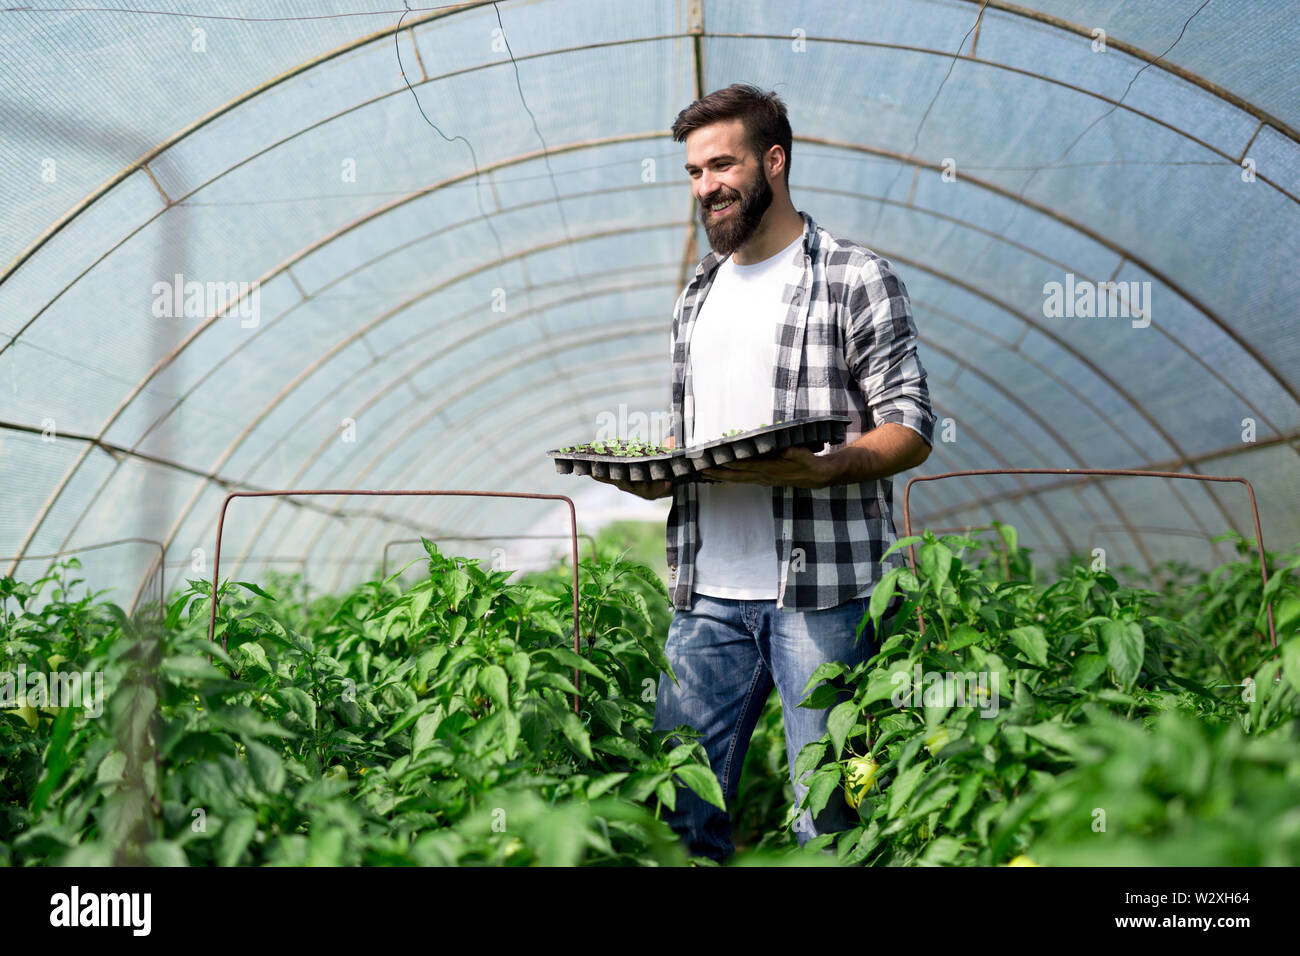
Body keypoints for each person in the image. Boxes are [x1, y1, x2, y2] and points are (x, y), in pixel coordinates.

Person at [592, 83, 936, 863]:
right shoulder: (696, 297)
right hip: (705, 596)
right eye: (692, 171)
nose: (705, 186)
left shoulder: (854, 277)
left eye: (722, 164)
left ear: (774, 162)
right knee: (677, 809)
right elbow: (698, 444)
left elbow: (911, 425)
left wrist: (827, 468)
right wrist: (661, 477)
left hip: (825, 598)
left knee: (834, 815)